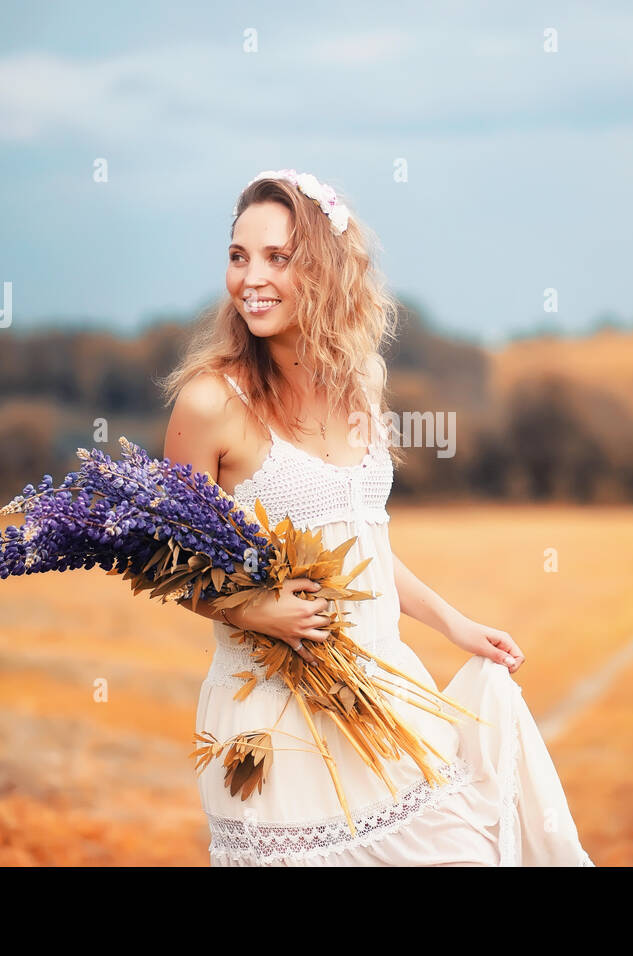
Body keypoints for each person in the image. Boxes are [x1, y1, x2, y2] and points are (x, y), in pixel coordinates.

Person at [160, 169, 593, 866]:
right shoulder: (210, 403)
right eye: (239, 256)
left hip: (386, 694)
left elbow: (359, 543)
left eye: (278, 257)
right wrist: (256, 612)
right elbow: (171, 567)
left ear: (326, 272)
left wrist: (455, 625)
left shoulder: (358, 394)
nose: (250, 278)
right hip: (275, 722)